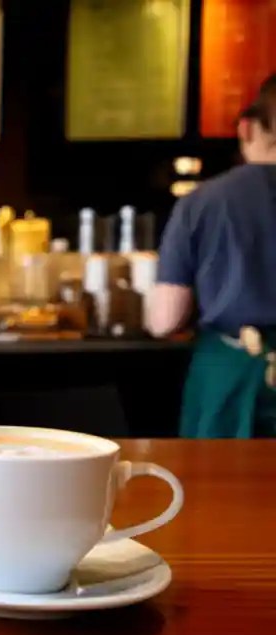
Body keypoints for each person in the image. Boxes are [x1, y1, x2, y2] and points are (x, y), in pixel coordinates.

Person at [149, 73, 276, 438]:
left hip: (232, 375)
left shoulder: (203, 202)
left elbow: (166, 319)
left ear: (247, 128)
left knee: (219, 490)